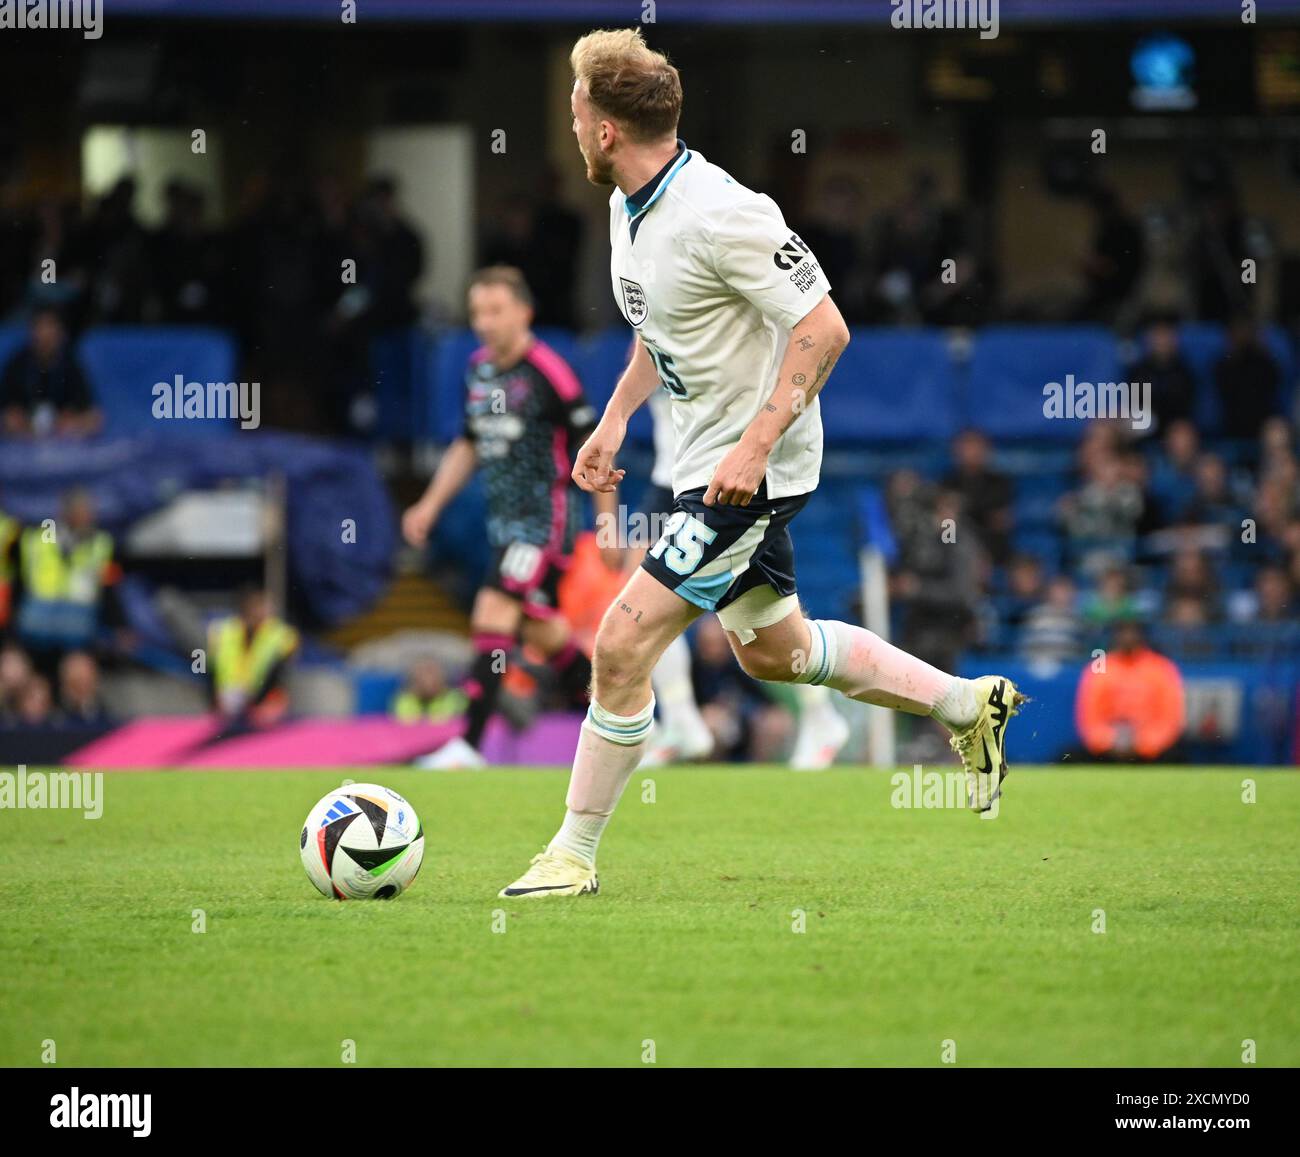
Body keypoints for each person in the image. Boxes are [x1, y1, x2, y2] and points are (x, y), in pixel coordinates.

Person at [497, 29, 1024, 899]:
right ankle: (970, 704)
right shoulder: (630, 205)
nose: (572, 116)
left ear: (603, 132)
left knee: (621, 643)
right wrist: (617, 421)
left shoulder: (723, 211)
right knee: (774, 653)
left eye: (575, 105)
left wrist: (755, 442)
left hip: (752, 471)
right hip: (701, 458)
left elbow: (825, 327)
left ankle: (572, 854)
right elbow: (661, 326)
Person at [402, 265, 619, 768]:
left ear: (524, 312)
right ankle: (624, 718)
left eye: (495, 310)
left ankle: (469, 745)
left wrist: (607, 526)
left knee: (492, 611)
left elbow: (595, 446)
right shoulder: (478, 371)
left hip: (543, 525)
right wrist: (429, 505)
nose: (483, 322)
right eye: (476, 311)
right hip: (502, 528)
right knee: (543, 634)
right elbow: (469, 443)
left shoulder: (550, 371)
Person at [1074, 620, 1185, 762]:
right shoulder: (1099, 667)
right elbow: (1089, 716)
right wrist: (1110, 741)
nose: (1128, 637)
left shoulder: (1161, 667)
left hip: (1151, 751)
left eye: (1132, 632)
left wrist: (1143, 743)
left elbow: (1169, 718)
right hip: (1107, 749)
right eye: (1123, 632)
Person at [0, 307, 101, 437]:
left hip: (60, 424)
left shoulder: (70, 362)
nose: (45, 334)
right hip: (27, 423)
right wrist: (18, 415)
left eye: (51, 327)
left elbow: (84, 401)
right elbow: (7, 402)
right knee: (8, 421)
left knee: (95, 418)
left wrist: (70, 414)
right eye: (40, 327)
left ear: (61, 333)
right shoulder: (17, 362)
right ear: (32, 332)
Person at [208, 587, 298, 728]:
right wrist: (212, 693)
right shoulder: (223, 630)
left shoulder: (281, 635)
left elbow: (283, 671)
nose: (265, 612)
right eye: (258, 607)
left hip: (262, 699)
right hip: (226, 696)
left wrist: (270, 700)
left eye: (267, 607)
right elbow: (203, 660)